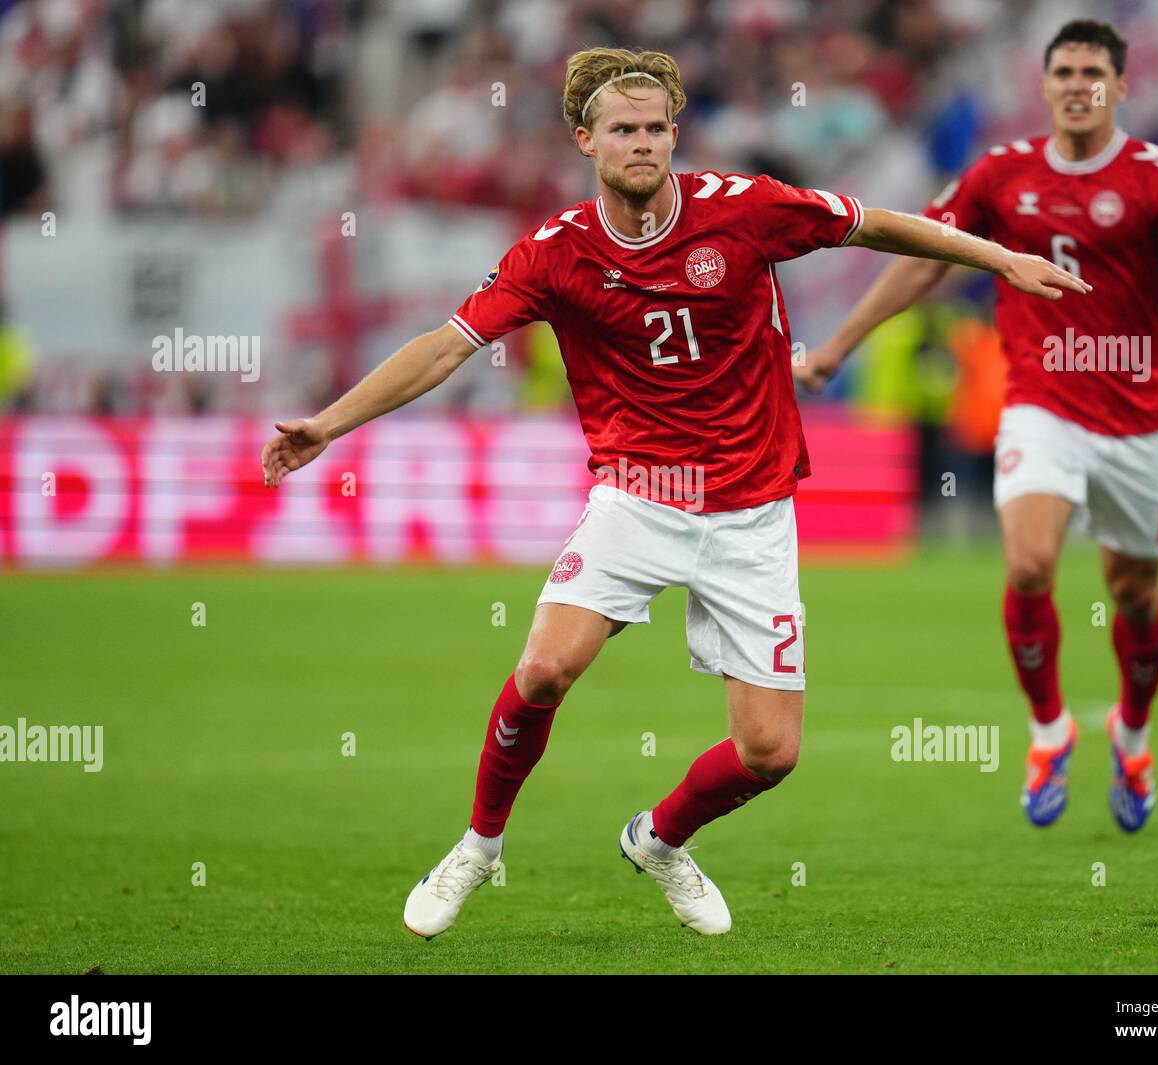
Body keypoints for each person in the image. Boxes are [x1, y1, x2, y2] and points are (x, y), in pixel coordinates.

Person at [261, 47, 1086, 937]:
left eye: (658, 128)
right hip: (638, 495)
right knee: (543, 667)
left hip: (753, 508)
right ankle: (479, 846)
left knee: (771, 753)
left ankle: (659, 838)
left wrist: (1000, 259)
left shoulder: (747, 210)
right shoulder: (554, 253)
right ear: (587, 140)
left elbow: (881, 226)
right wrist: (329, 425)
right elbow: (445, 346)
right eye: (625, 129)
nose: (646, 143)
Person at [797, 20, 1158, 834]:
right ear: (1045, 82)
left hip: (1138, 419)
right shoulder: (999, 174)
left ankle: (1131, 731)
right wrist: (838, 346)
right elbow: (923, 258)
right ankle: (1050, 727)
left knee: (1134, 594)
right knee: (1028, 564)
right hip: (1040, 403)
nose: (1076, 83)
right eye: (1063, 69)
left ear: (1121, 86)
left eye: (1093, 71)